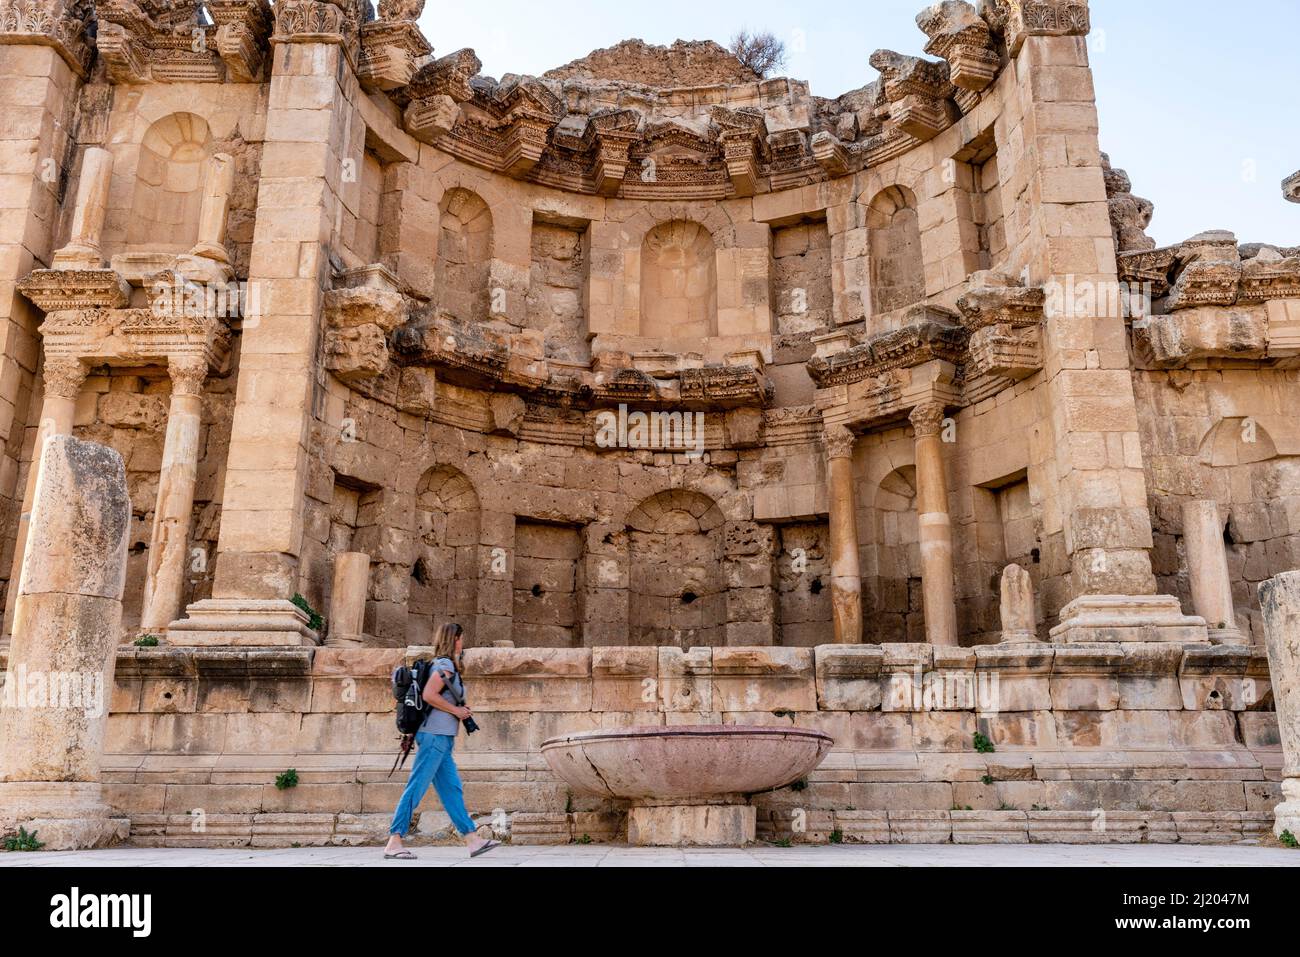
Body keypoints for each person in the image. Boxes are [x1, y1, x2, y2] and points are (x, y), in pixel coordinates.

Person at [384, 622, 499, 859]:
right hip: (435, 736)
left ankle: (473, 840)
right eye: (461, 637)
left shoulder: (444, 664)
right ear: (455, 638)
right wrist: (456, 711)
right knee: (416, 787)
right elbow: (428, 694)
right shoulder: (445, 665)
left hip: (442, 738)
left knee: (451, 789)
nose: (463, 641)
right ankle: (394, 841)